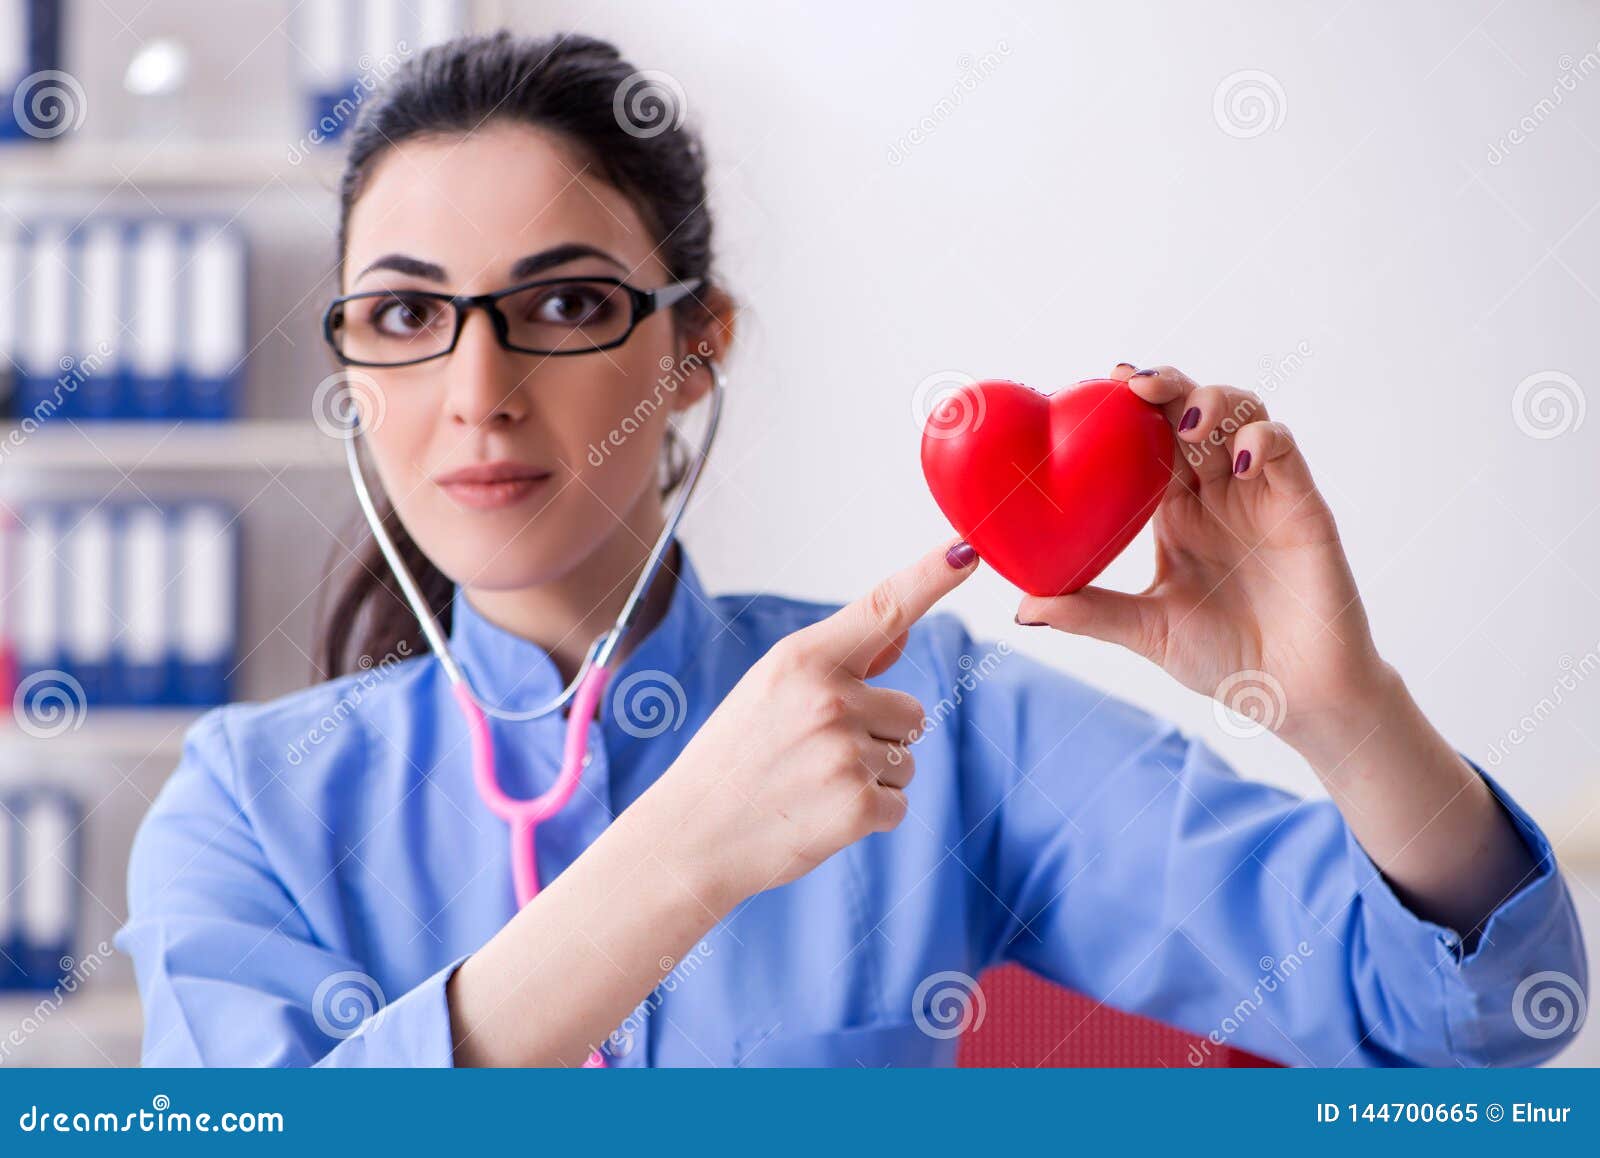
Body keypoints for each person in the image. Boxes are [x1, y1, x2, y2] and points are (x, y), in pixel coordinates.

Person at [117, 30, 1586, 1068]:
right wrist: (681, 859)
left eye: (564, 305)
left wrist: (1341, 711)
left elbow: (1478, 1017)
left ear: (698, 349)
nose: (477, 388)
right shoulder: (245, 811)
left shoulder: (933, 716)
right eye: (404, 313)